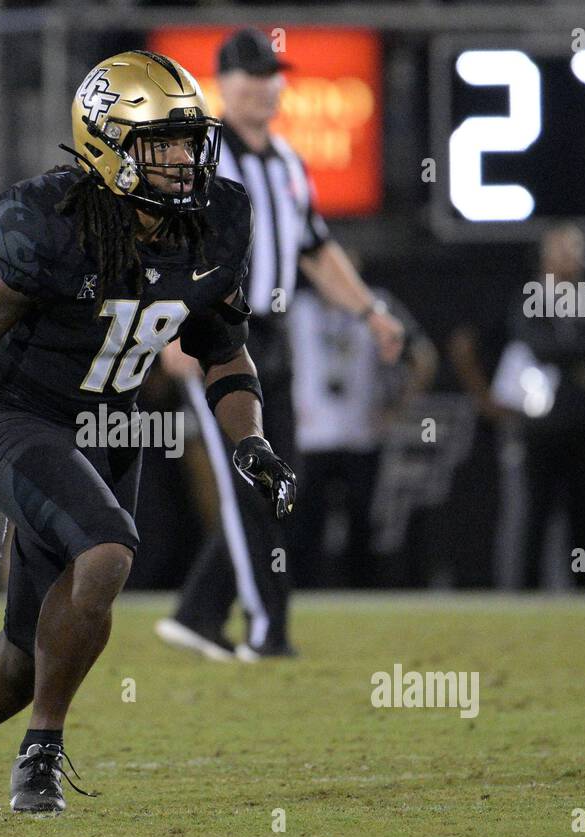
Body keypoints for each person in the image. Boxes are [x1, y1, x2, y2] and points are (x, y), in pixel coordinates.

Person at [0, 50, 296, 813]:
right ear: (109, 146)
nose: (185, 159)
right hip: (20, 417)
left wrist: (250, 442)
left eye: (188, 140)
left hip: (115, 427)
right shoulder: (52, 223)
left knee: (26, 654)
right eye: (163, 144)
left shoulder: (214, 222)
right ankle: (42, 756)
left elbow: (224, 350)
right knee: (108, 550)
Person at [155, 28, 404, 662]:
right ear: (225, 84)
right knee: (252, 484)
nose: (267, 87)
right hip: (215, 331)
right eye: (253, 75)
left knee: (275, 484)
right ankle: (268, 632)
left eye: (273, 75)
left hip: (274, 335)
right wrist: (168, 330)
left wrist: (370, 311)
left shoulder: (289, 162)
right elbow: (164, 246)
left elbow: (316, 251)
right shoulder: (201, 157)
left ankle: (198, 614)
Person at [289, 282, 437, 588]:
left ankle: (362, 594)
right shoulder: (294, 306)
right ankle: (302, 595)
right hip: (310, 437)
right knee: (303, 527)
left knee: (362, 523)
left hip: (361, 435)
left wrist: (397, 408)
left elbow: (423, 357)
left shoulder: (376, 305)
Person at [510, 224, 585, 588]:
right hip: (543, 425)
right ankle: (526, 590)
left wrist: (563, 356)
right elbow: (533, 344)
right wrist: (576, 360)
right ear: (545, 256)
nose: (569, 258)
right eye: (561, 250)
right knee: (536, 510)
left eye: (574, 250)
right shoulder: (529, 296)